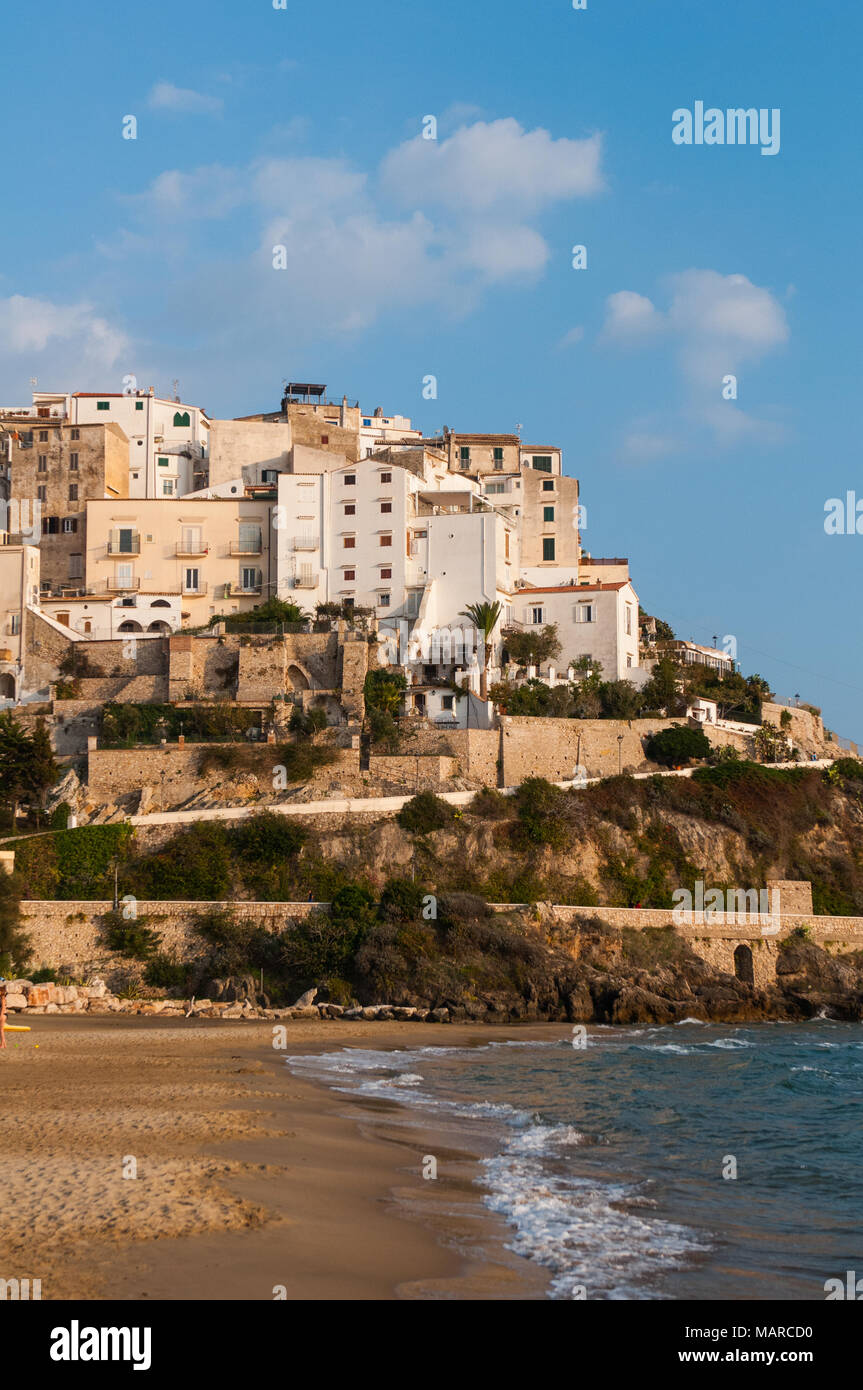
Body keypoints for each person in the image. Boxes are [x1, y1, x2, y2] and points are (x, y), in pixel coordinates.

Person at [0, 980, 7, 1051]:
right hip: (1, 1014)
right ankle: (4, 1044)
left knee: (1, 1030)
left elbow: (3, 1007)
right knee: (1, 1030)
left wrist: (1, 1016)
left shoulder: (2, 998)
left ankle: (2, 1044)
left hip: (3, 1014)